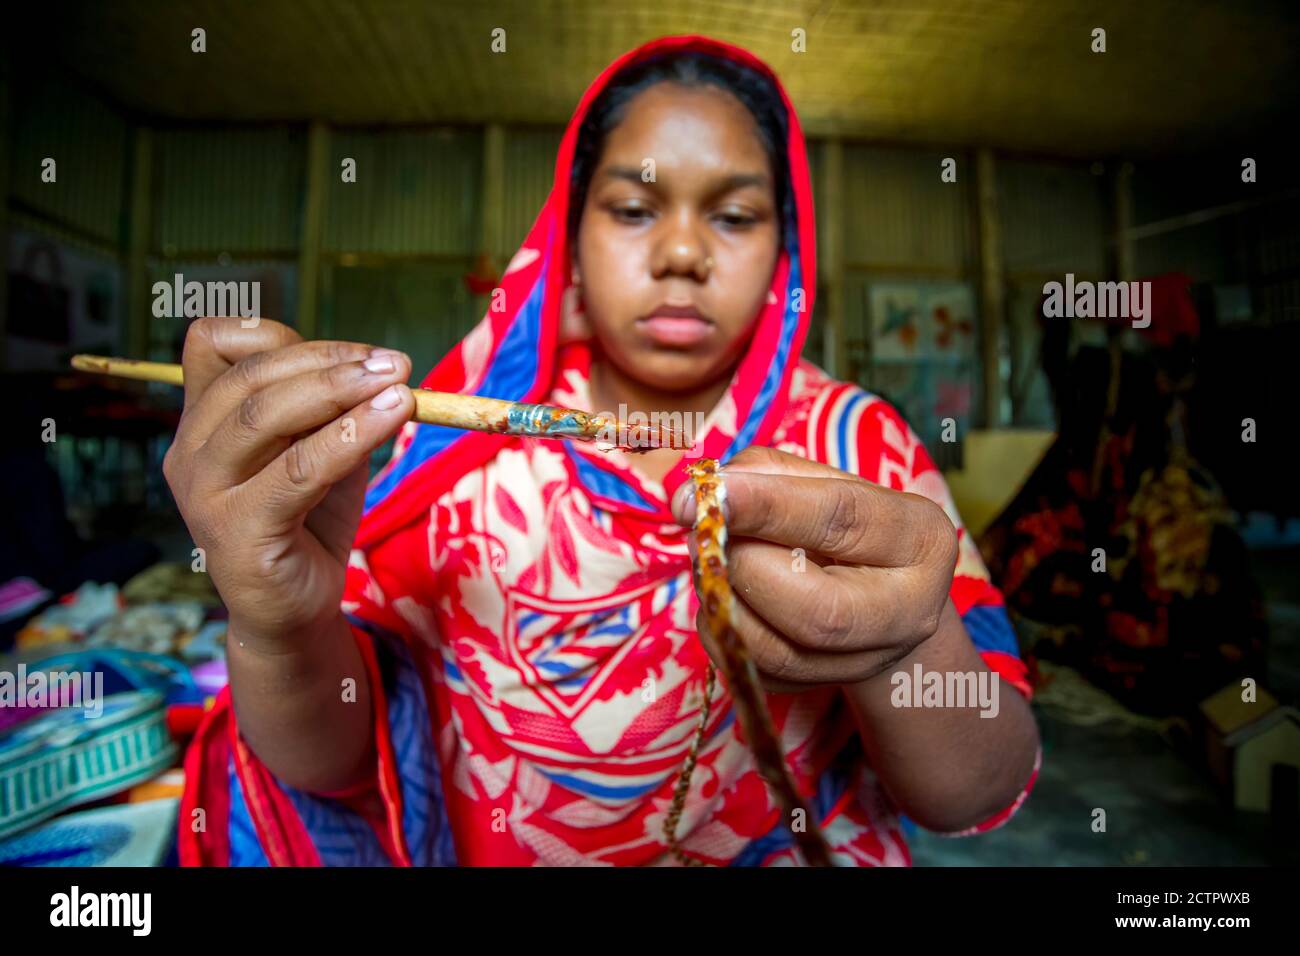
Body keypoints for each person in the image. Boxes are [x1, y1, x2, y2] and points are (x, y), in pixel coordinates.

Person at [173, 35, 1039, 866]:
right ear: (569, 240)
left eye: (736, 216)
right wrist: (279, 627)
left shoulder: (857, 448)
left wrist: (903, 651)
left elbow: (975, 791)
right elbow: (345, 769)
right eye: (632, 208)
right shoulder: (456, 452)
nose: (683, 253)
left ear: (786, 249)